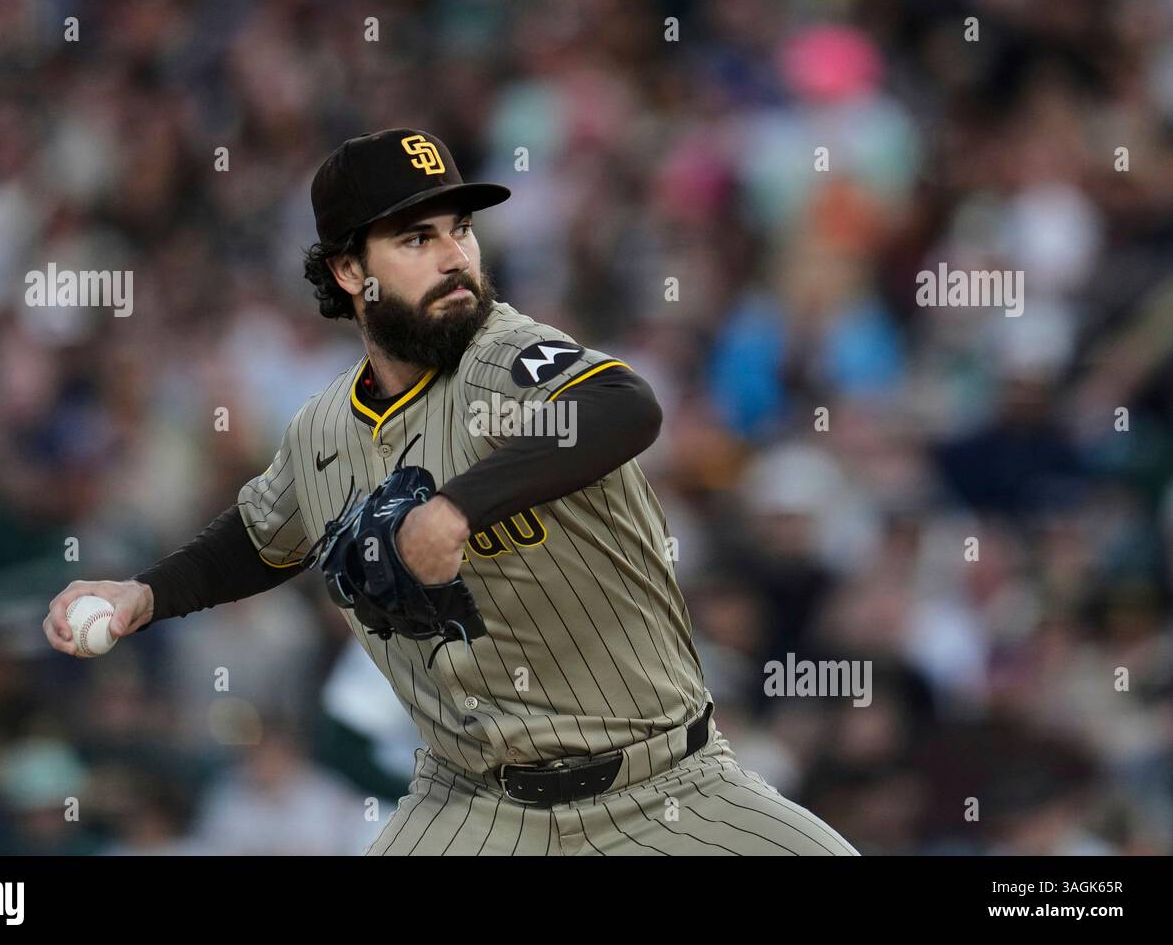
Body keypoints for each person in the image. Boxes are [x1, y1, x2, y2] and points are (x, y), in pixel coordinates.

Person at [44, 128, 858, 856]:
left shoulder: (505, 355)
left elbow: (622, 405)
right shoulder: (323, 431)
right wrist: (142, 594)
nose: (454, 257)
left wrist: (458, 505)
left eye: (461, 230)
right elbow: (260, 538)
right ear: (348, 269)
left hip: (668, 792)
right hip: (471, 808)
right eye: (416, 238)